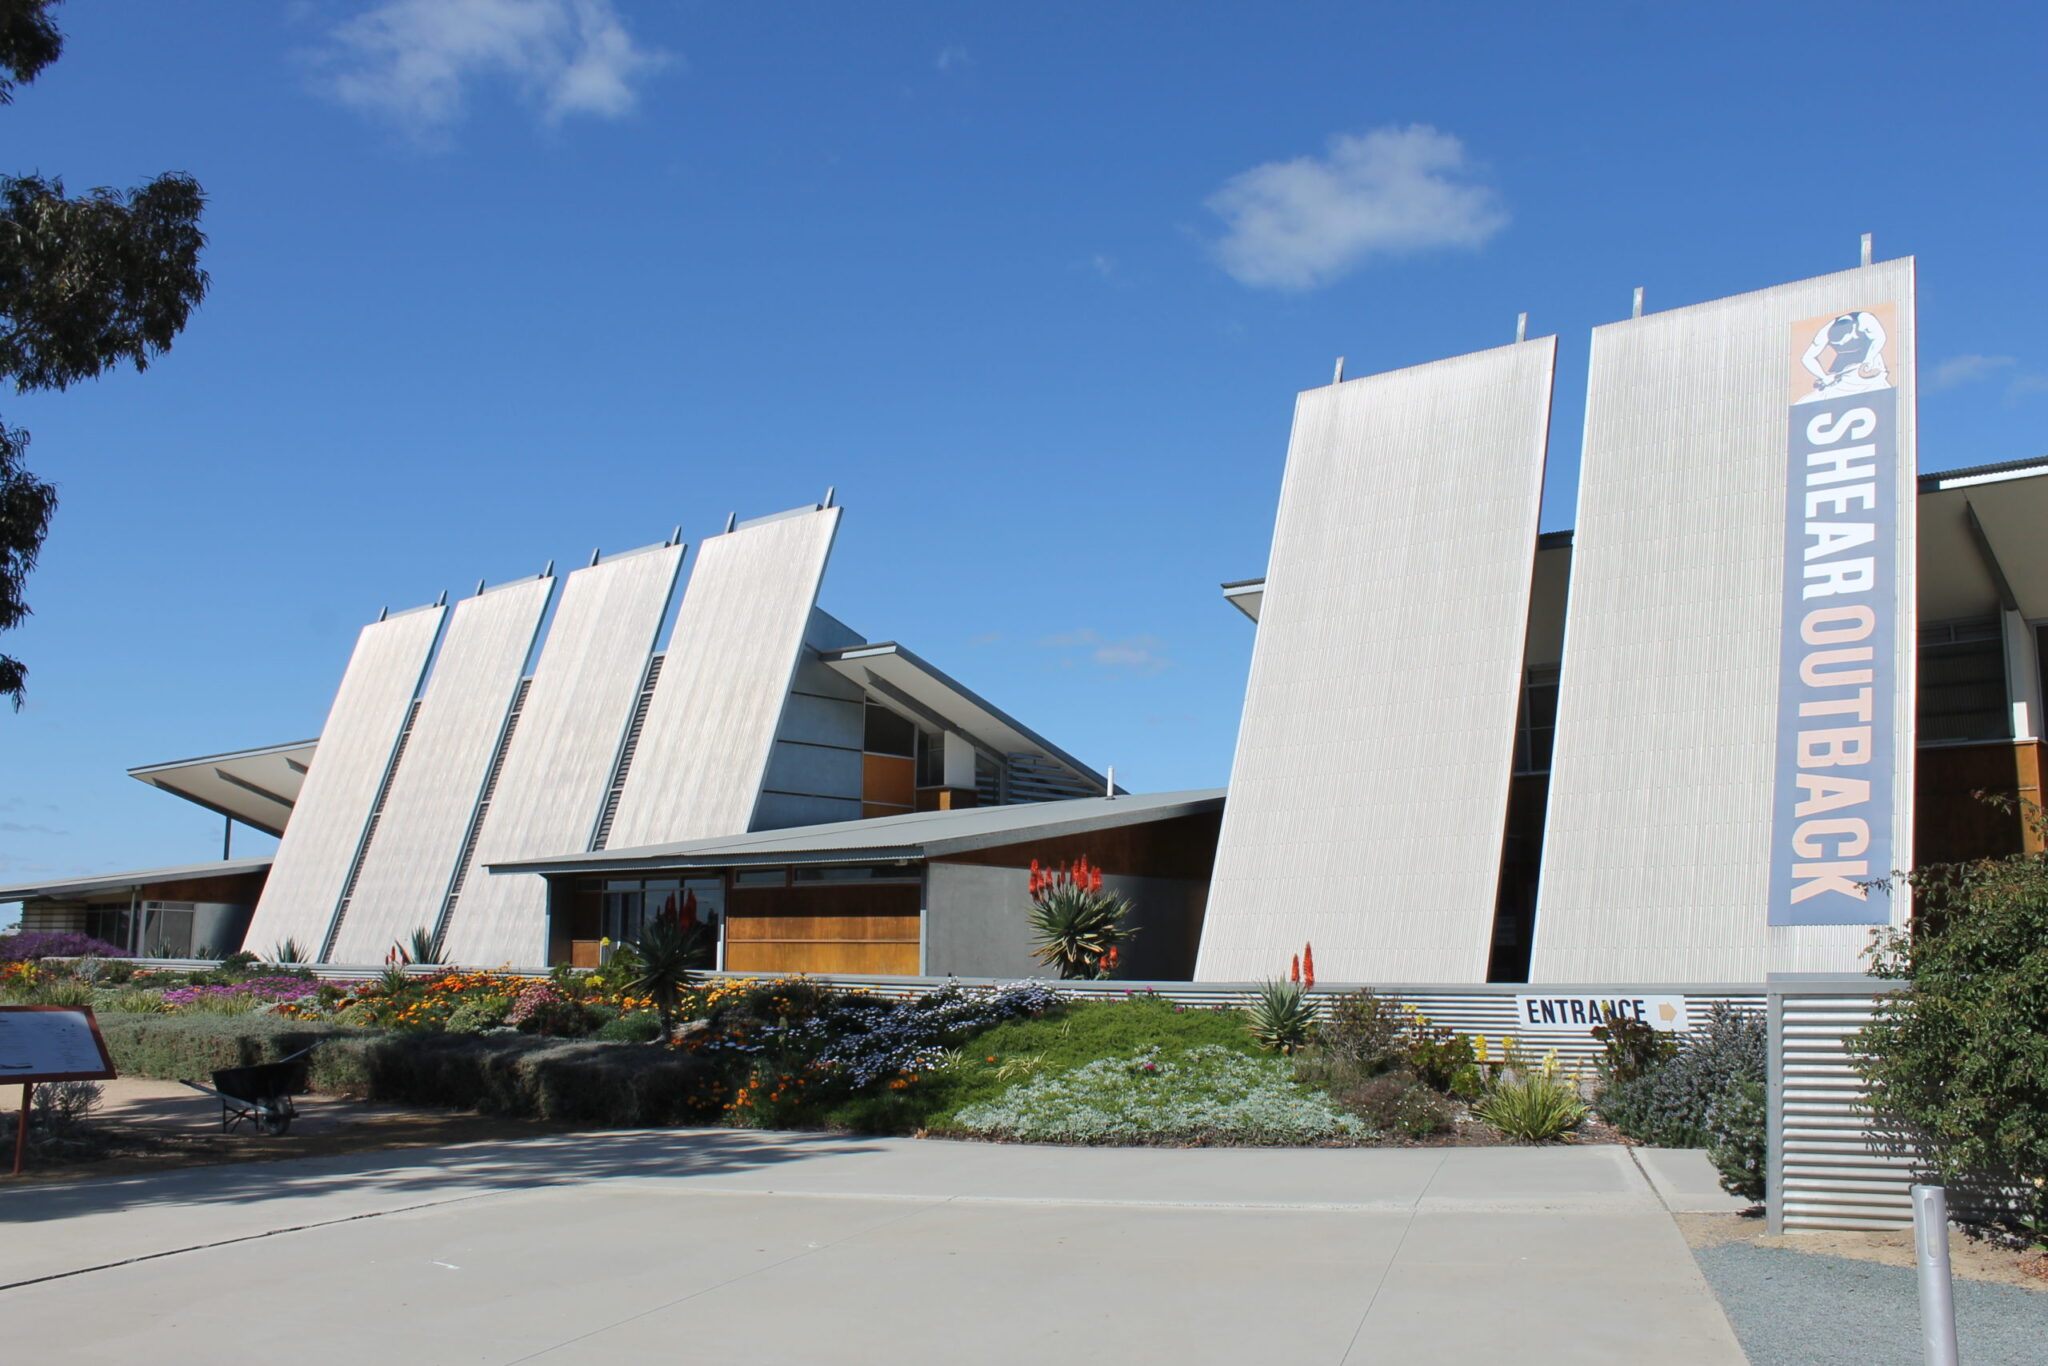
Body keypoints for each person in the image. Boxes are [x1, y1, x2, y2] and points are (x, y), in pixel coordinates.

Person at [1797, 311, 1890, 402]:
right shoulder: (1824, 332)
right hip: (1844, 367)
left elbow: (1879, 338)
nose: (1841, 345)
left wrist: (1869, 359)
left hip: (1869, 361)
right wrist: (1824, 377)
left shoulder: (1865, 319)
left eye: (1843, 342)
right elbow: (1807, 358)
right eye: (1838, 344)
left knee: (1875, 389)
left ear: (1853, 330)